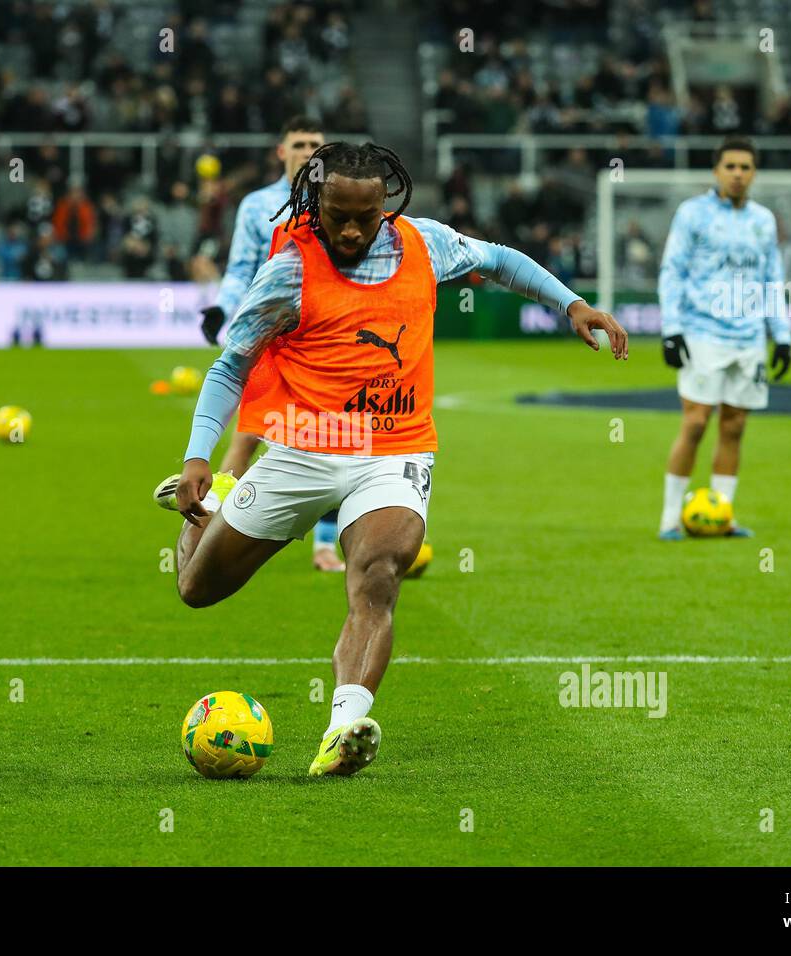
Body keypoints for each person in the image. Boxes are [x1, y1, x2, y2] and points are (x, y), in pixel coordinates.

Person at [154, 142, 627, 777]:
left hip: (395, 448)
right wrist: (197, 458)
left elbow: (500, 259)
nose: (352, 230)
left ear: (386, 205)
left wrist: (572, 303)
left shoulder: (425, 244)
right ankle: (209, 504)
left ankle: (344, 726)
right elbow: (230, 364)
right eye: (338, 216)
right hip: (302, 449)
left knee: (378, 574)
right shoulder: (290, 270)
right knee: (196, 589)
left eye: (366, 216)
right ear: (314, 205)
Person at [198, 116, 346, 571]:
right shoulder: (258, 205)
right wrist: (222, 307)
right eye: (298, 144)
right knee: (246, 441)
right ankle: (206, 526)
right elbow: (240, 268)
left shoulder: (340, 202)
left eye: (315, 144)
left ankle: (324, 546)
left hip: (324, 342)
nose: (307, 151)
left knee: (336, 439)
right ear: (282, 152)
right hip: (271, 342)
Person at [657, 136, 791, 540]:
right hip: (702, 332)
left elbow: (772, 279)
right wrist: (672, 329)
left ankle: (722, 515)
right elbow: (672, 270)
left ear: (754, 173)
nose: (737, 174)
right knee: (696, 422)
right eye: (730, 167)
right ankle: (670, 519)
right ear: (716, 171)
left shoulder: (763, 220)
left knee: (734, 426)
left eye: (745, 167)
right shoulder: (692, 214)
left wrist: (781, 335)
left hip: (749, 338)